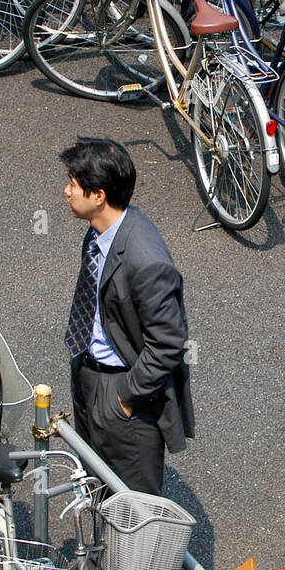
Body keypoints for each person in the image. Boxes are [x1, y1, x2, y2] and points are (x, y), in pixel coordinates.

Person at [61, 138, 194, 496]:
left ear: (98, 195)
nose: (66, 191)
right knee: (96, 489)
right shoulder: (100, 231)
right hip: (89, 377)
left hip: (123, 395)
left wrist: (126, 397)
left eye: (73, 184)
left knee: (135, 515)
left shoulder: (147, 260)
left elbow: (168, 344)